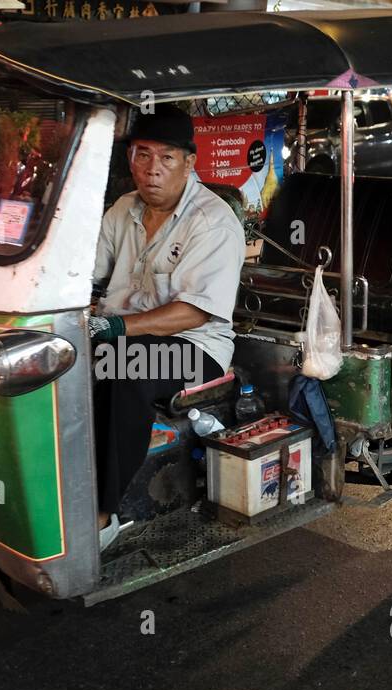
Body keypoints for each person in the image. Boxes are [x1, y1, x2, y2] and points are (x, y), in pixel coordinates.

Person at [88, 105, 245, 548]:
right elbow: (86, 271)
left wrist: (118, 328)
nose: (151, 170)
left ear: (189, 162)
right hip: (119, 333)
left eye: (166, 158)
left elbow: (194, 313)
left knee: (123, 371)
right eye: (141, 155)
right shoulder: (123, 210)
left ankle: (103, 514)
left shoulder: (211, 222)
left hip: (197, 346)